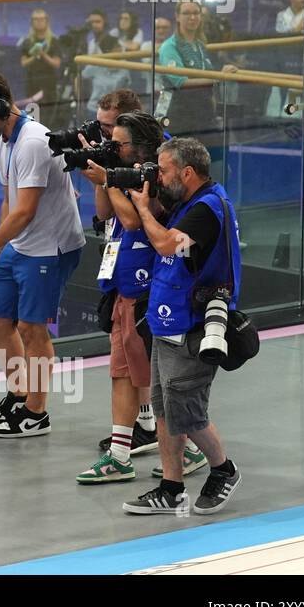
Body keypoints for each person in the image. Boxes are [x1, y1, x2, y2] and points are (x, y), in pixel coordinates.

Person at [73, 110, 209, 483]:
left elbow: (136, 220)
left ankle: (194, 450)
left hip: (149, 294)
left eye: (119, 144)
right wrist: (102, 179)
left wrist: (109, 179)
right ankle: (119, 454)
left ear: (141, 146)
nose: (112, 148)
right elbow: (106, 214)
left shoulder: (156, 179)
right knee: (122, 374)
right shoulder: (121, 176)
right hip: (122, 287)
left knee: (158, 381)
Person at [0, 70, 84, 438]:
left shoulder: (33, 141)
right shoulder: (3, 143)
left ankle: (36, 411)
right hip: (21, 243)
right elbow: (9, 202)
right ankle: (19, 392)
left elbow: (25, 210)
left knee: (32, 327)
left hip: (51, 246)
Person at [123, 137, 243, 515]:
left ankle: (224, 469)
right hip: (167, 320)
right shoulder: (188, 201)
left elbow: (166, 246)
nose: (158, 176)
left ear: (187, 172)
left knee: (188, 413)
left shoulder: (208, 208)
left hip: (192, 326)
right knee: (164, 409)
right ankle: (171, 487)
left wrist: (143, 208)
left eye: (164, 170)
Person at [155, 1, 238, 139]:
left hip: (201, 114)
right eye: (186, 13)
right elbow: (180, 82)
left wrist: (222, 72)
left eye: (195, 13)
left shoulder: (199, 45)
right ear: (177, 16)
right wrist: (219, 77)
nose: (192, 17)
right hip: (178, 114)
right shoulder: (169, 46)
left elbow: (208, 75)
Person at [17, 8, 63, 128]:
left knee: (47, 116)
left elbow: (56, 63)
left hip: (48, 84)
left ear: (47, 21)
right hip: (32, 83)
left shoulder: (54, 41)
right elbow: (24, 62)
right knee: (32, 116)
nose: (39, 22)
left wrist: (44, 55)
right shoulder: (27, 41)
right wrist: (35, 55)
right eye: (36, 20)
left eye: (41, 19)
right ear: (32, 22)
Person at [79, 9, 127, 113]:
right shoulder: (91, 43)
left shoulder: (115, 42)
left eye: (98, 21)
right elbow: (84, 74)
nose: (94, 25)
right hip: (95, 95)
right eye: (91, 22)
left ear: (104, 22)